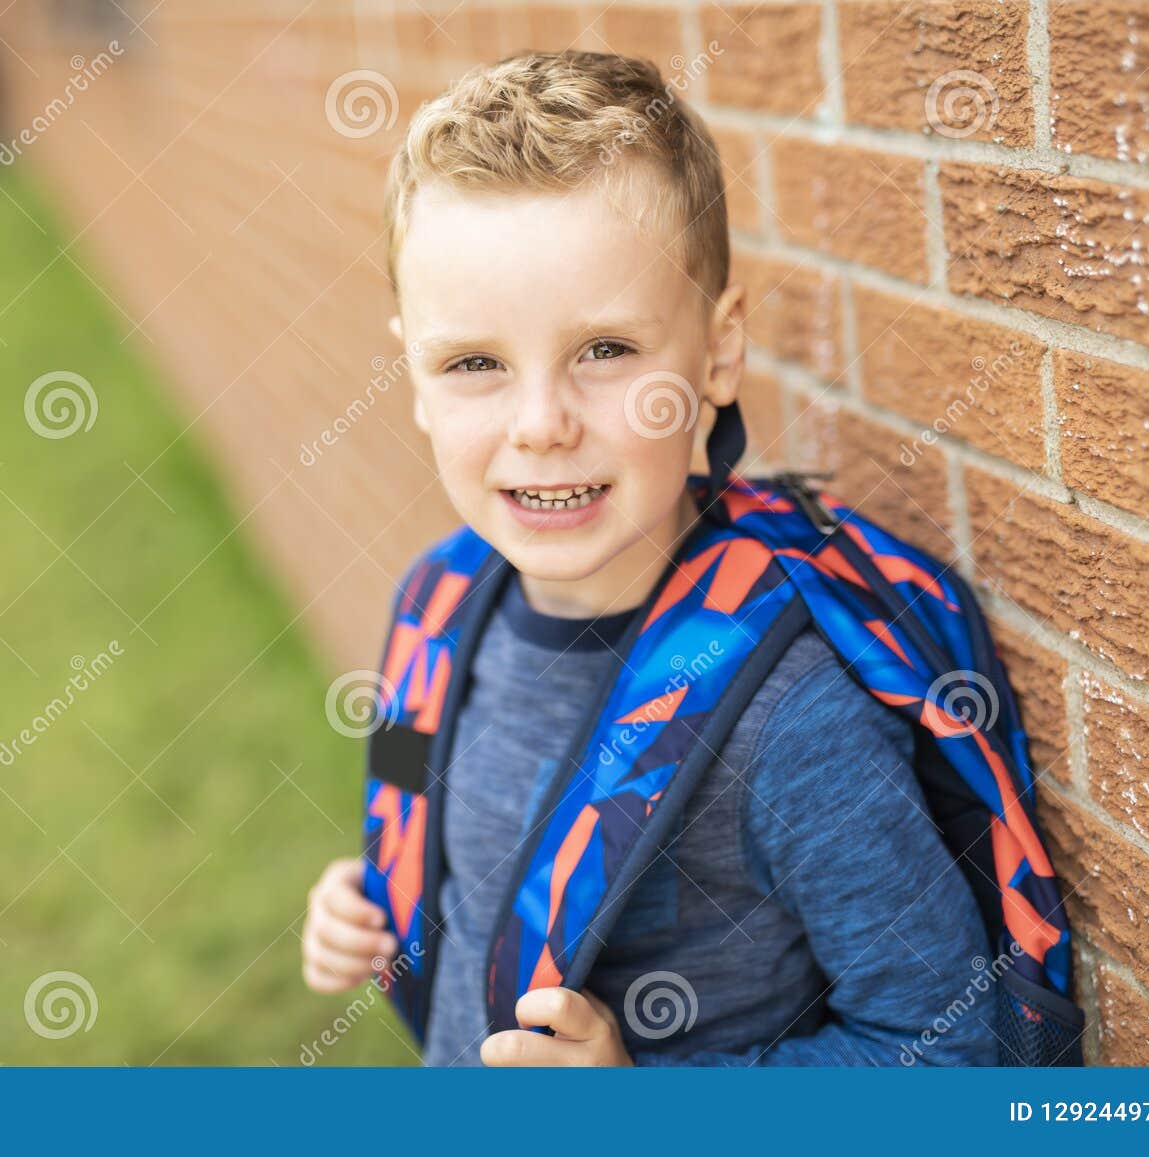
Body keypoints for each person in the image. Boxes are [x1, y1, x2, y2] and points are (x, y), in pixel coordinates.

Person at [301, 49, 998, 1067]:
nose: (540, 424)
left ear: (717, 355)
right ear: (411, 372)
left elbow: (945, 1047)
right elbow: (457, 844)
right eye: (475, 363)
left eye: (605, 351)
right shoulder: (439, 602)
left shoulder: (788, 720)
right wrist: (376, 908)